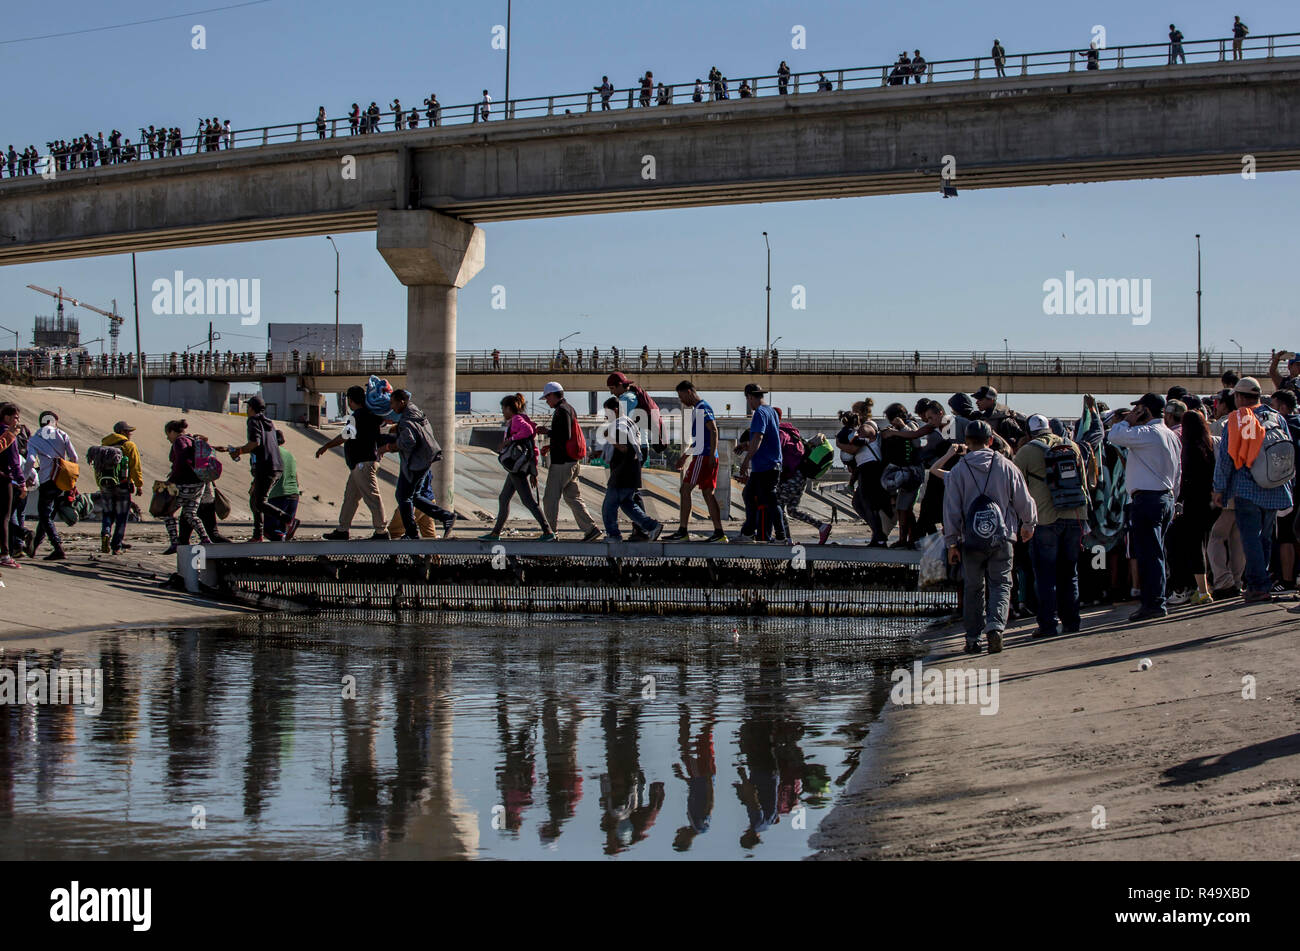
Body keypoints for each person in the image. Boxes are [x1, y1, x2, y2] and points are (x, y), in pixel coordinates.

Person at [943, 420, 1037, 654]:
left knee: (973, 587)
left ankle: (973, 639)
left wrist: (952, 542)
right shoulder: (1006, 466)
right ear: (991, 440)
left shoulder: (958, 470)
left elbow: (951, 509)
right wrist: (1028, 524)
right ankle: (995, 626)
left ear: (967, 442)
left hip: (970, 541)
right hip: (1002, 537)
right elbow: (1024, 500)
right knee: (1002, 584)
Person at [1212, 377, 1293, 603]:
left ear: (1238, 397)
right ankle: (1262, 581)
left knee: (1250, 539)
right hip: (1274, 486)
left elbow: (1227, 459)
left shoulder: (1236, 420)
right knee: (1265, 538)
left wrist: (1219, 488)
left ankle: (1258, 586)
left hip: (1247, 487)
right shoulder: (1276, 417)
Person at [1107, 393, 1182, 620]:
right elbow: (1178, 472)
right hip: (1165, 497)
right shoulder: (1170, 435)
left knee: (1149, 555)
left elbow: (1114, 435)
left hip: (1147, 499)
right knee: (1157, 552)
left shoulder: (1147, 433)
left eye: (1138, 408)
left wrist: (1128, 419)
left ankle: (1153, 603)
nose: (1134, 412)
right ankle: (1155, 599)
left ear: (1145, 410)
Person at [1014, 414, 1088, 638]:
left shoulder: (1026, 451)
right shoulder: (1072, 446)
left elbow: (1016, 486)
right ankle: (1072, 622)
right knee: (1069, 573)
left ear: (1029, 432)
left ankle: (1047, 625)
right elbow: (1084, 482)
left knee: (1045, 575)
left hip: (1045, 519)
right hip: (1075, 516)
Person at [217, 395, 292, 542]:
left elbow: (254, 443)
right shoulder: (269, 423)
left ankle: (288, 519)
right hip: (276, 466)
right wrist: (233, 449)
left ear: (250, 408)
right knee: (254, 501)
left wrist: (239, 452)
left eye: (247, 407)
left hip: (265, 467)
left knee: (259, 502)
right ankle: (258, 535)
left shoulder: (253, 421)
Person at [384, 389, 456, 539]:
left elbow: (409, 441)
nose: (392, 407)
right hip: (424, 460)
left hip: (416, 462)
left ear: (401, 402)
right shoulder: (416, 413)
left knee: (403, 496)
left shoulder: (406, 420)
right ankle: (446, 517)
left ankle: (411, 533)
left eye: (393, 403)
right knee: (414, 496)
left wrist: (389, 446)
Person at [481, 394, 555, 541]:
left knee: (528, 501)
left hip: (518, 468)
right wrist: (533, 471)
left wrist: (509, 440)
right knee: (504, 498)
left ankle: (547, 531)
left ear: (509, 408)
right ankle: (495, 533)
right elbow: (532, 446)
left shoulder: (516, 419)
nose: (502, 411)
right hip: (517, 468)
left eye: (503, 408)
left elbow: (528, 431)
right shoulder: (520, 419)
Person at [320, 386, 389, 540]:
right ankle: (343, 529)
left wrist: (326, 446)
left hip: (362, 464)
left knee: (372, 497)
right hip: (361, 464)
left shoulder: (356, 416)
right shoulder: (372, 415)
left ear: (350, 400)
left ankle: (381, 531)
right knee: (350, 497)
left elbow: (344, 436)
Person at [536, 382, 601, 542]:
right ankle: (590, 529)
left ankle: (550, 532)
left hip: (562, 463)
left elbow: (564, 435)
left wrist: (546, 432)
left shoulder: (561, 411)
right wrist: (550, 446)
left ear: (553, 395)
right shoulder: (569, 408)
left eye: (547, 398)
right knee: (573, 497)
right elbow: (567, 437)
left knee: (550, 498)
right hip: (572, 461)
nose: (546, 401)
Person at [1168, 409, 1217, 606]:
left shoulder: (1188, 448)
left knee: (1191, 547)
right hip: (1209, 502)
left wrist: (1180, 501)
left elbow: (1186, 479)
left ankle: (1202, 591)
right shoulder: (1210, 445)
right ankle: (1205, 587)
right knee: (1204, 545)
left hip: (1193, 504)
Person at [666, 381, 726, 542]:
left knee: (685, 490)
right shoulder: (698, 409)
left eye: (681, 396)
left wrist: (712, 454)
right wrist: (684, 457)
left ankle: (682, 531)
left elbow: (713, 429)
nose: (681, 400)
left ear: (689, 392)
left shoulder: (701, 408)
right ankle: (719, 533)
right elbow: (699, 439)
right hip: (704, 454)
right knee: (708, 493)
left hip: (704, 456)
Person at [599, 398, 662, 541]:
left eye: (607, 412)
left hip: (622, 472)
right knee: (627, 504)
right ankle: (652, 526)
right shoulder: (627, 423)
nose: (605, 416)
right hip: (631, 472)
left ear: (614, 410)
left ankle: (613, 535)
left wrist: (609, 438)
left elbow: (625, 449)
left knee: (608, 506)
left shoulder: (619, 426)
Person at [25, 410, 79, 562]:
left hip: (47, 480)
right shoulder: (63, 435)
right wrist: (71, 478)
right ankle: (33, 548)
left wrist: (24, 477)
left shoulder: (36, 438)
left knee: (44, 515)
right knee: (47, 515)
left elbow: (30, 460)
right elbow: (74, 457)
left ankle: (58, 547)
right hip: (61, 480)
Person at [736, 384, 783, 542]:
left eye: (747, 399)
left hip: (765, 466)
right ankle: (749, 533)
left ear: (750, 397)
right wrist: (745, 446)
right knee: (750, 495)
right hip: (769, 464)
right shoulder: (771, 411)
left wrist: (746, 461)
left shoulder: (759, 413)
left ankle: (781, 536)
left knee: (769, 500)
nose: (748, 403)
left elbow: (758, 438)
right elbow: (764, 439)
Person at [161, 419, 211, 554]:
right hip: (199, 484)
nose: (167, 438)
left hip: (186, 484)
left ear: (172, 431)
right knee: (190, 513)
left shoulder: (180, 441)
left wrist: (171, 480)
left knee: (167, 512)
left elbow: (182, 461)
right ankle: (205, 539)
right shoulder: (192, 439)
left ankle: (175, 543)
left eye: (167, 434)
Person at [97, 421, 144, 555]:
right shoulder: (129, 446)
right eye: (128, 431)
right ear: (122, 432)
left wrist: (100, 485)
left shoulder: (104, 445)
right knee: (121, 517)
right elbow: (135, 466)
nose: (130, 434)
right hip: (123, 486)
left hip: (106, 485)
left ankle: (106, 532)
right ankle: (116, 545)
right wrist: (139, 484)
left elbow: (98, 467)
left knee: (108, 513)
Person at [0, 404, 26, 569]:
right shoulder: (8, 434)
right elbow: (14, 461)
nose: (17, 421)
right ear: (7, 417)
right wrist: (22, 482)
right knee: (4, 516)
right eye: (15, 417)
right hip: (3, 479)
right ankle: (5, 554)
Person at [266, 430, 300, 540]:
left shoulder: (272, 452)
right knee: (283, 530)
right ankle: (284, 554)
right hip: (294, 494)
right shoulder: (290, 455)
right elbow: (296, 477)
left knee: (269, 530)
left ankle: (290, 526)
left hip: (278, 494)